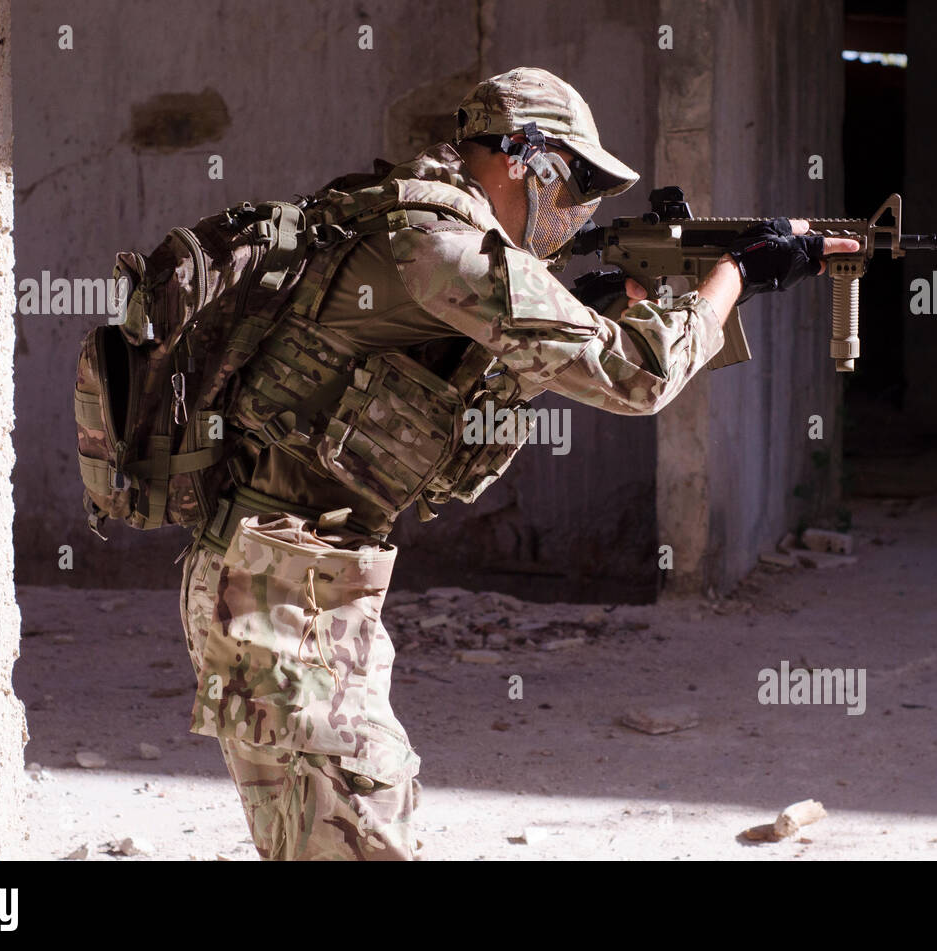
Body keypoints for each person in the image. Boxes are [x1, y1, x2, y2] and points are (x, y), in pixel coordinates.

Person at [178, 66, 859, 860]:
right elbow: (638, 379)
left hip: (282, 578)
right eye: (573, 182)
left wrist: (593, 315)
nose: (576, 212)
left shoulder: (407, 221)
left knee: (327, 837)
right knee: (360, 835)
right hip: (282, 592)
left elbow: (447, 403)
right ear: (519, 158)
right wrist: (734, 276)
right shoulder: (438, 243)